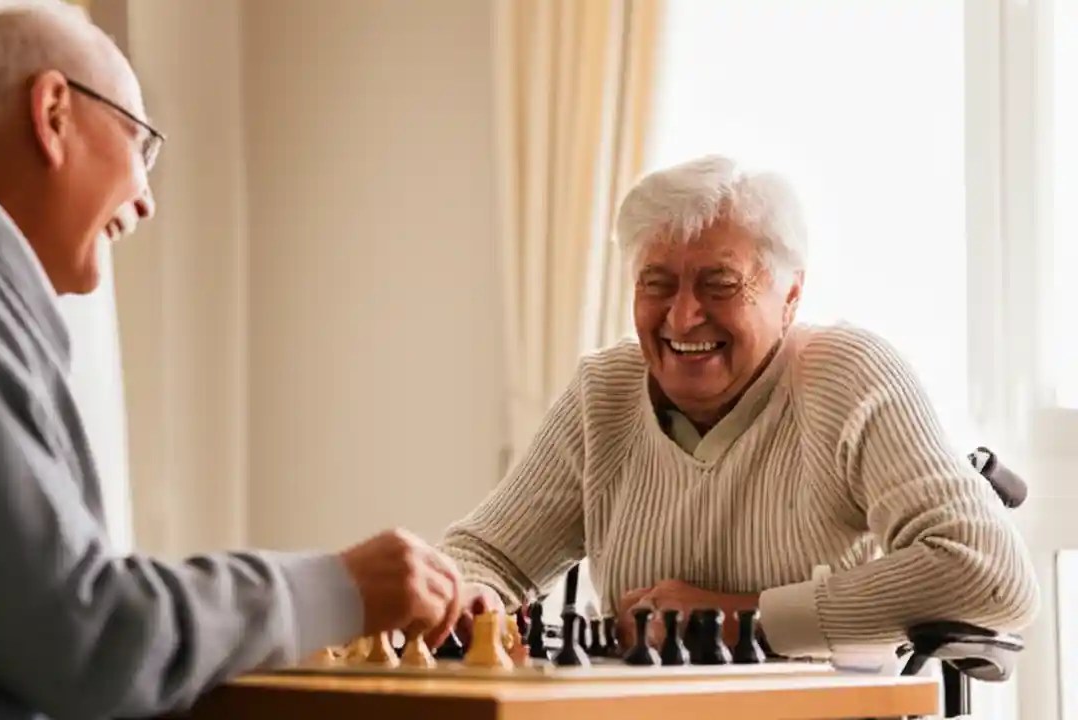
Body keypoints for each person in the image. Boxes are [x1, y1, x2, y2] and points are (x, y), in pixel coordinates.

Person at [0, 1, 459, 718]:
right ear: (54, 113)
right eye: (141, 146)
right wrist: (342, 590)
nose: (145, 201)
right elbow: (88, 644)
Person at [441, 155, 1039, 657]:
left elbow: (991, 577)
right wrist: (477, 598)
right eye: (656, 284)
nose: (681, 316)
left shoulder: (850, 375)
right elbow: (480, 557)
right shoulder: (605, 391)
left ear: (790, 298)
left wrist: (737, 621)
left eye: (718, 285)